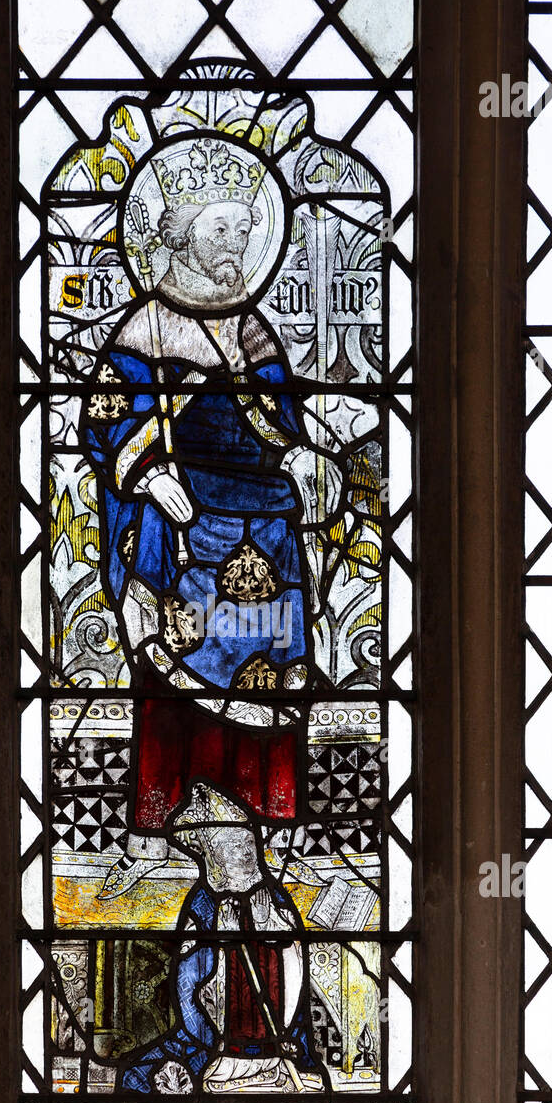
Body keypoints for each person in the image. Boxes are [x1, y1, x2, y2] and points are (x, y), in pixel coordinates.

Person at [80, 135, 339, 895]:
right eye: (223, 228)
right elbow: (104, 421)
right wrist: (147, 469)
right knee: (170, 668)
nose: (241, 242)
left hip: (264, 518)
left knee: (271, 668)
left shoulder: (251, 330)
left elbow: (274, 417)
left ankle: (273, 824)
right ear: (182, 234)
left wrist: (296, 453)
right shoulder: (144, 332)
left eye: (245, 229)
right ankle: (158, 826)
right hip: (182, 515)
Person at [116, 782, 325, 1095]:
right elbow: (187, 972)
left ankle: (271, 1058)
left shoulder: (273, 893)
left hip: (275, 1026)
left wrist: (270, 926)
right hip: (222, 1032)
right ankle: (224, 1059)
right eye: (234, 847)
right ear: (217, 859)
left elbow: (294, 953)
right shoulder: (202, 900)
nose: (244, 853)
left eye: (248, 844)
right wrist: (219, 938)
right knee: (139, 1077)